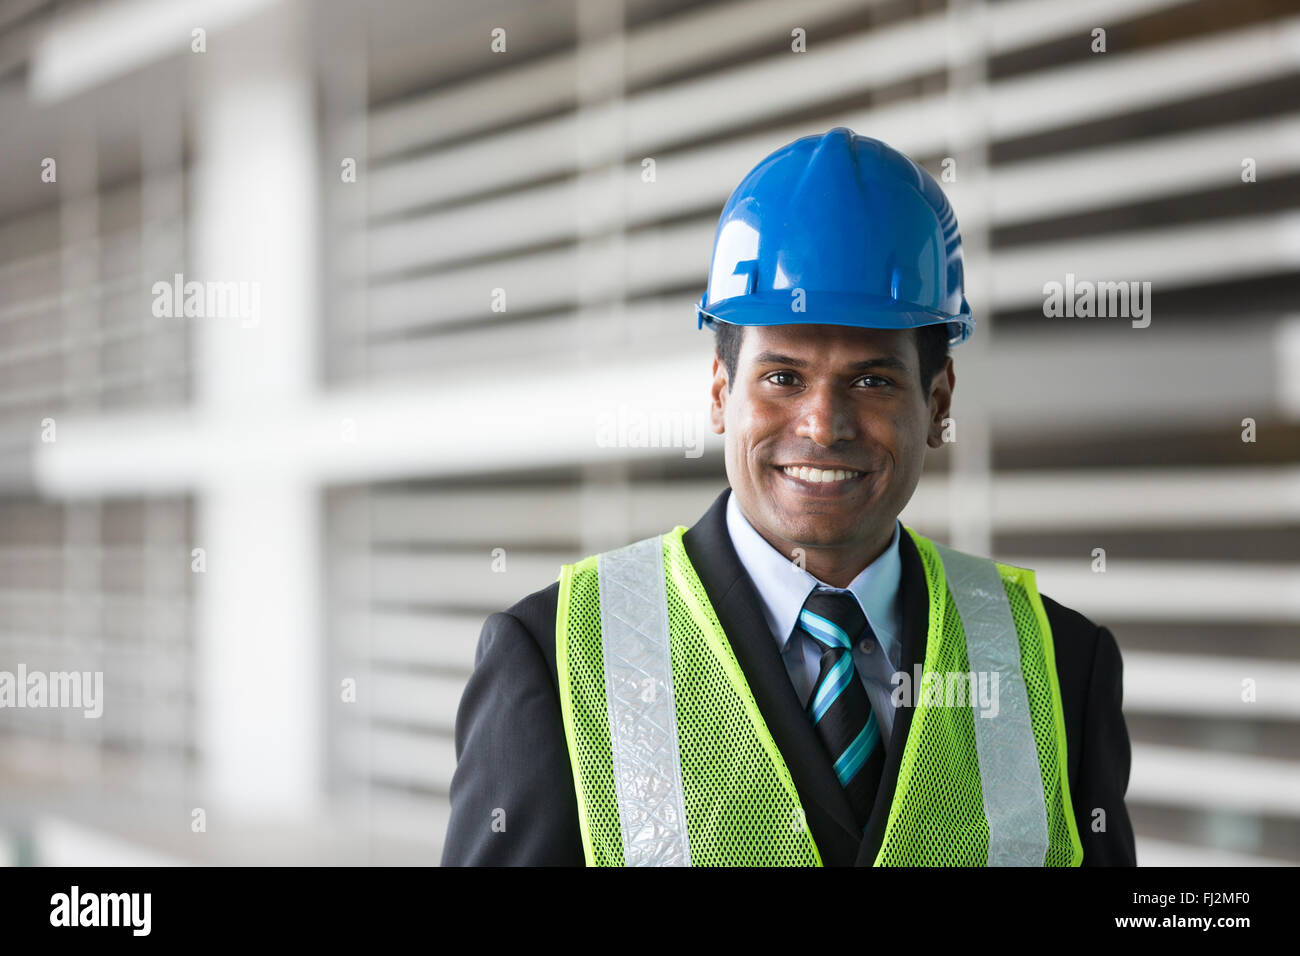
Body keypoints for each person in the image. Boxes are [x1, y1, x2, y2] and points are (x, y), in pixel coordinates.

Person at [441, 127, 1136, 867]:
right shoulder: (556, 661)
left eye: (872, 381)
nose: (823, 426)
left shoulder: (1057, 666)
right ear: (720, 395)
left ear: (937, 404)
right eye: (783, 377)